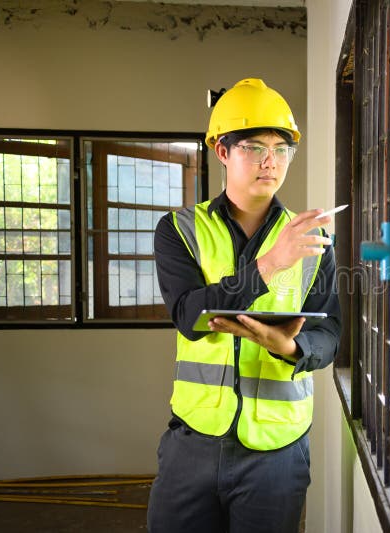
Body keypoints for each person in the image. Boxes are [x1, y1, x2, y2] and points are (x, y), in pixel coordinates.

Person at [148, 78, 341, 533]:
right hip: (193, 443)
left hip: (277, 450)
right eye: (254, 147)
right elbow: (190, 317)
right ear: (222, 152)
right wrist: (272, 263)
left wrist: (290, 348)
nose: (270, 161)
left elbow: (329, 334)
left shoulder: (314, 238)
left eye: (281, 149)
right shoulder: (180, 230)